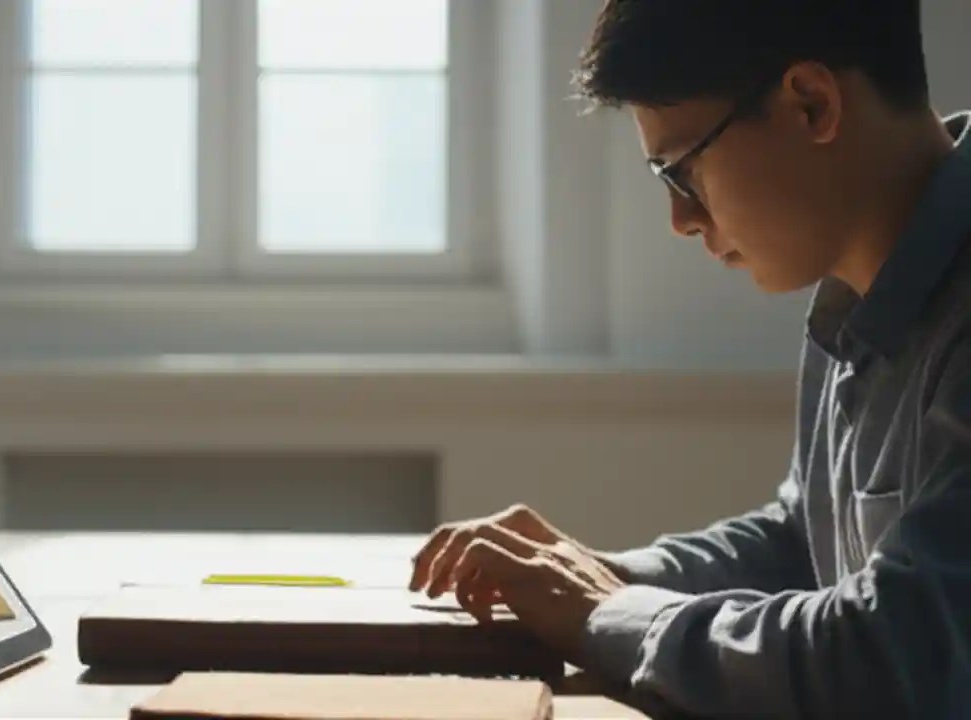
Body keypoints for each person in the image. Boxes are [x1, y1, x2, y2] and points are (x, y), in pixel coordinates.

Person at [409, 1, 971, 717]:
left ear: (810, 104)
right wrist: (601, 577)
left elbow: (893, 654)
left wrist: (607, 614)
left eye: (680, 170)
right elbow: (804, 542)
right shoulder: (851, 301)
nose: (681, 220)